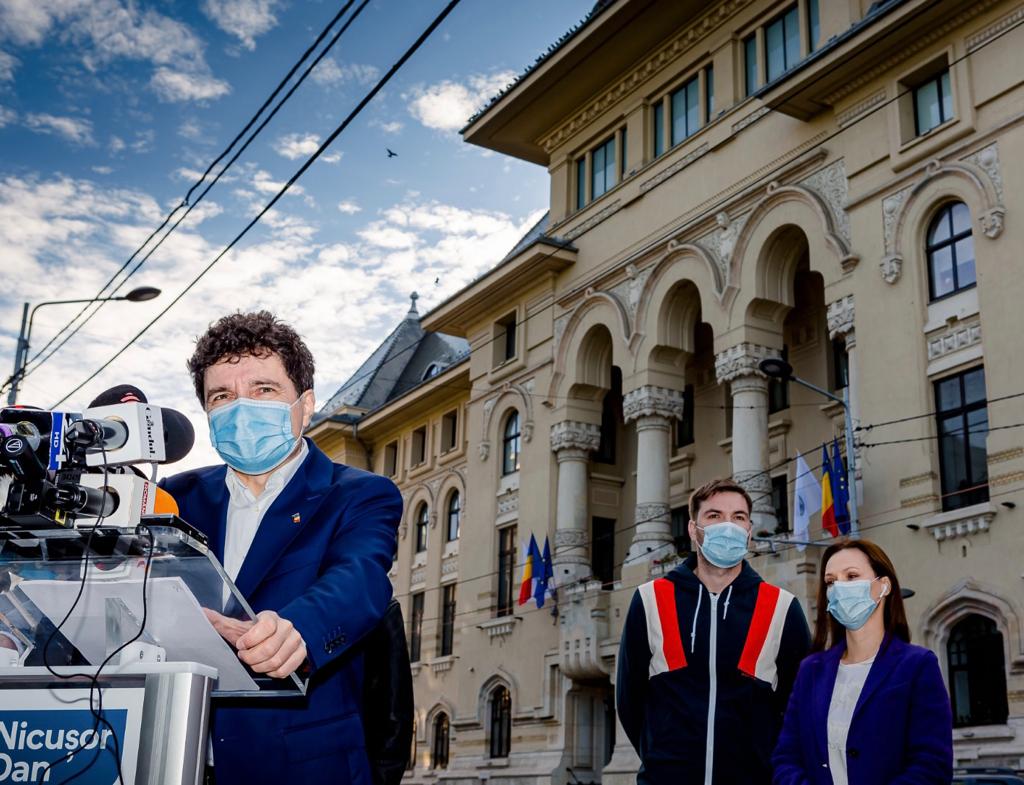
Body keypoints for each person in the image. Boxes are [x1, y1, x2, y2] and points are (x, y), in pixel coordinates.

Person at [162, 311, 403, 785]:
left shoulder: (358, 494)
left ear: (305, 404)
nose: (241, 408)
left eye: (264, 390)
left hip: (301, 765)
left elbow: (360, 579)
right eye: (222, 396)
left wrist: (298, 630)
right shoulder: (175, 498)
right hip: (172, 757)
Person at [617, 478, 811, 784]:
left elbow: (798, 706)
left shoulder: (781, 607)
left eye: (738, 517)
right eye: (714, 515)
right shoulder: (650, 599)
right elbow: (629, 700)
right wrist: (662, 760)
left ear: (748, 532)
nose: (728, 526)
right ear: (694, 530)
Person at [772, 539, 953, 785]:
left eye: (852, 576)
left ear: (884, 586)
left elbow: (932, 765)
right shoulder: (811, 671)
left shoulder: (917, 666)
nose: (839, 587)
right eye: (831, 581)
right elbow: (786, 758)